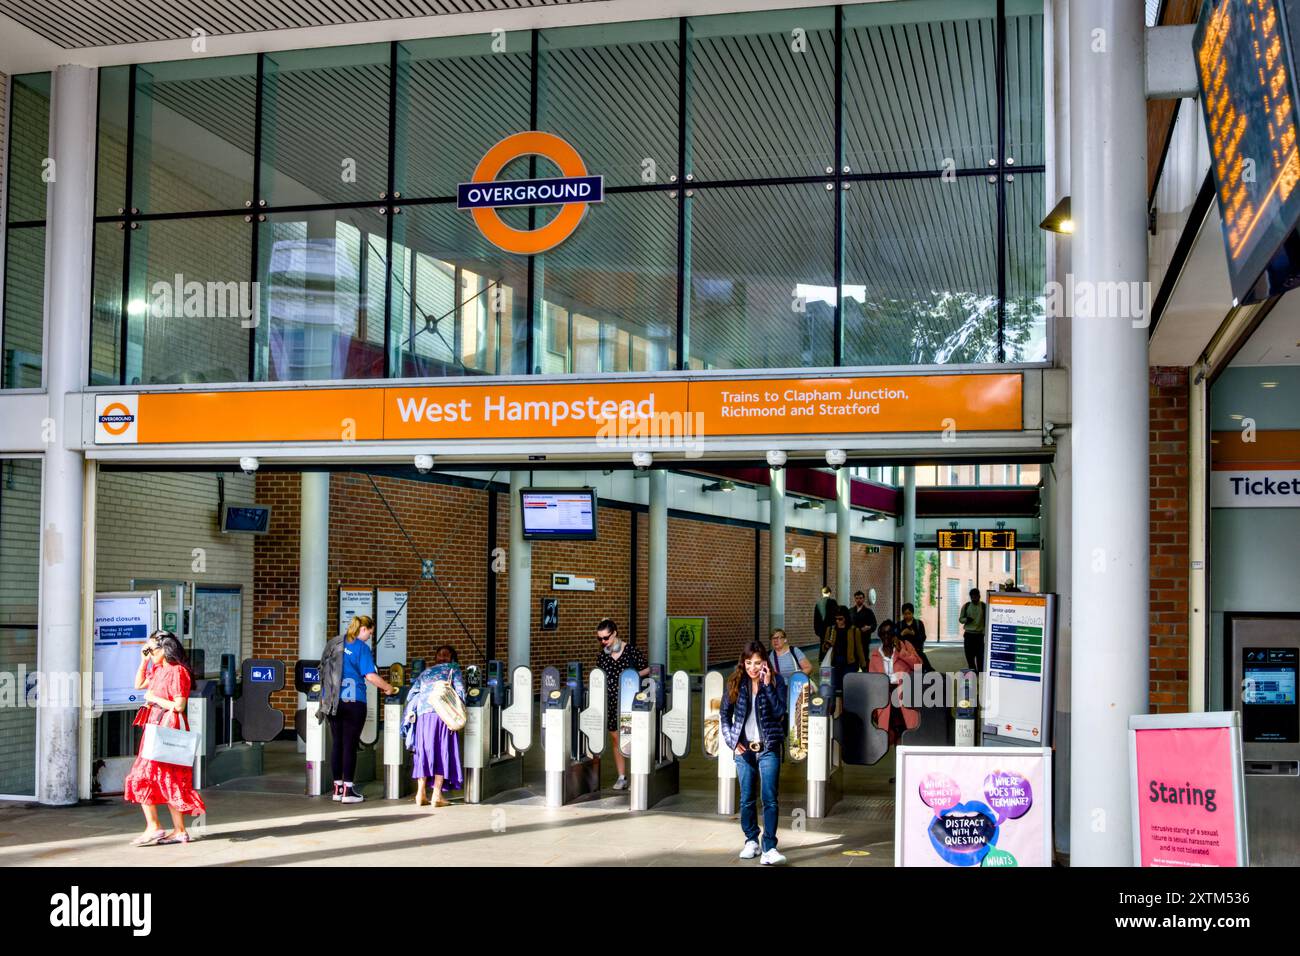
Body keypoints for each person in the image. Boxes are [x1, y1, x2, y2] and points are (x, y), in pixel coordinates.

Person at [124, 631, 206, 846]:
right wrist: (143, 661)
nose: (149, 654)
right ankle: (173, 830)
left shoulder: (178, 672)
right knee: (156, 777)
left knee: (157, 776)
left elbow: (179, 705)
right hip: (155, 726)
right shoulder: (158, 669)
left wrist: (154, 698)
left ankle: (159, 828)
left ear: (164, 649)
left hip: (168, 728)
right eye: (147, 650)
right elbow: (138, 683)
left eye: (150, 650)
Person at [720, 640, 787, 865]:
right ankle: (751, 840)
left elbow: (780, 711)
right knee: (747, 799)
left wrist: (767, 684)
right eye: (749, 663)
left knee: (770, 799)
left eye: (757, 663)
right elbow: (724, 715)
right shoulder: (735, 682)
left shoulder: (777, 681)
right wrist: (732, 741)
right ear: (743, 662)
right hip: (744, 749)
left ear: (765, 663)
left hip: (768, 747)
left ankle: (770, 846)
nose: (752, 668)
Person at [325, 615, 395, 804]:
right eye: (370, 633)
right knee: (350, 745)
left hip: (332, 701)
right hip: (354, 702)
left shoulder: (335, 643)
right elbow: (370, 676)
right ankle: (348, 790)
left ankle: (337, 789)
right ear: (363, 629)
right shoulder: (361, 648)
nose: (369, 637)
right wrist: (388, 687)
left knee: (337, 744)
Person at [403, 644, 465, 808]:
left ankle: (420, 793)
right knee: (442, 750)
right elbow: (460, 693)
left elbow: (412, 693)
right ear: (453, 659)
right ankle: (437, 795)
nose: (443, 658)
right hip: (442, 714)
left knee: (424, 752)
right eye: (443, 655)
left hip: (423, 715)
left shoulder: (426, 672)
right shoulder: (453, 669)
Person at [592, 618, 648, 791]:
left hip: (629, 701)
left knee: (632, 737)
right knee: (616, 739)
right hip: (611, 702)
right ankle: (621, 776)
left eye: (606, 638)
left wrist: (630, 677)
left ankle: (637, 774)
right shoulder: (603, 656)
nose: (603, 642)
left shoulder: (631, 651)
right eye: (600, 639)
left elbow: (648, 669)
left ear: (615, 633)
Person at [869, 619, 923, 750]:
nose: (886, 636)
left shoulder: (905, 646)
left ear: (895, 634)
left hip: (904, 697)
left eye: (889, 633)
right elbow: (871, 681)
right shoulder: (875, 655)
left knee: (905, 732)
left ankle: (903, 761)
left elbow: (918, 666)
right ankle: (899, 760)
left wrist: (901, 652)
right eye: (883, 633)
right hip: (885, 699)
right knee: (890, 734)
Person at [820, 605, 866, 693]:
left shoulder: (853, 630)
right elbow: (824, 649)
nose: (838, 621)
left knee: (847, 689)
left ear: (846, 618)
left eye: (840, 619)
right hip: (835, 662)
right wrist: (827, 644)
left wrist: (863, 665)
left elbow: (859, 649)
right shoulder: (831, 630)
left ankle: (846, 706)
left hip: (849, 664)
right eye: (836, 619)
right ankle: (836, 706)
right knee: (835, 688)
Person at [898, 602, 932, 672]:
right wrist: (902, 633)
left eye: (909, 613)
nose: (907, 616)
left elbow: (923, 638)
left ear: (913, 613)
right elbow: (896, 639)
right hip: (904, 651)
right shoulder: (899, 624)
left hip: (917, 650)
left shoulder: (919, 623)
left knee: (919, 671)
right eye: (905, 614)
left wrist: (913, 634)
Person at [958, 588, 987, 672]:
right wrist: (966, 619)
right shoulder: (966, 606)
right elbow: (960, 619)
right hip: (968, 635)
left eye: (975, 596)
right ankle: (973, 673)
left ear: (979, 596)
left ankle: (981, 675)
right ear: (970, 597)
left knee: (980, 657)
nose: (974, 598)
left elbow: (986, 620)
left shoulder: (984, 606)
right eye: (972, 597)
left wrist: (984, 632)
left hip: (979, 635)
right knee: (969, 657)